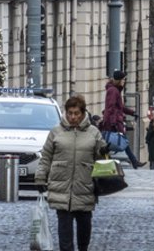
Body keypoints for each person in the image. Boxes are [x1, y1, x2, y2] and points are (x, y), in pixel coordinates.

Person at [35, 95, 106, 251]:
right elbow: (46, 157)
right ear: (65, 113)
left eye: (76, 113)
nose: (73, 117)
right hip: (61, 188)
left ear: (83, 113)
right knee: (65, 233)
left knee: (84, 228)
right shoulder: (56, 132)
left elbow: (102, 160)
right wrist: (40, 177)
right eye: (70, 113)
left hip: (84, 187)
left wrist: (103, 152)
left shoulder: (93, 132)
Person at [99, 70, 142, 169]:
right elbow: (110, 107)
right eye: (123, 79)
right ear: (119, 80)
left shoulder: (115, 90)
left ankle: (134, 161)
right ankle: (133, 161)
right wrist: (107, 121)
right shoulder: (113, 91)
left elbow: (120, 107)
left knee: (119, 142)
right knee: (117, 142)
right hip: (113, 123)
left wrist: (132, 113)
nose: (124, 81)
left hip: (114, 121)